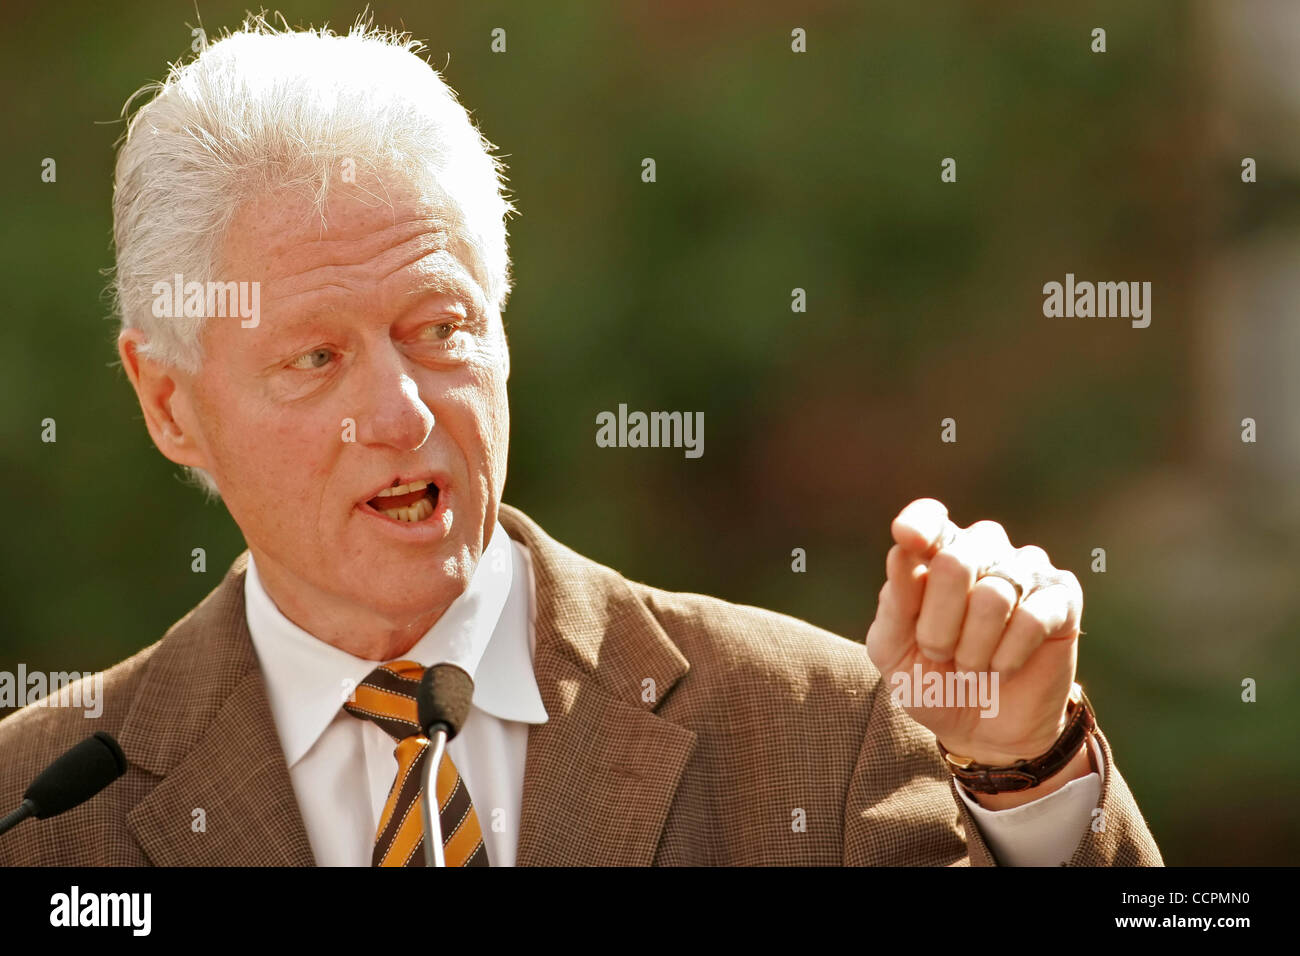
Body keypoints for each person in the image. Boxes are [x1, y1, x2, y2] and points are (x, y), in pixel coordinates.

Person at [0, 18, 1161, 867]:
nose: (403, 413)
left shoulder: (815, 731)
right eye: (315, 358)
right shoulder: (40, 804)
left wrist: (1024, 770)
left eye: (440, 327)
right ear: (170, 403)